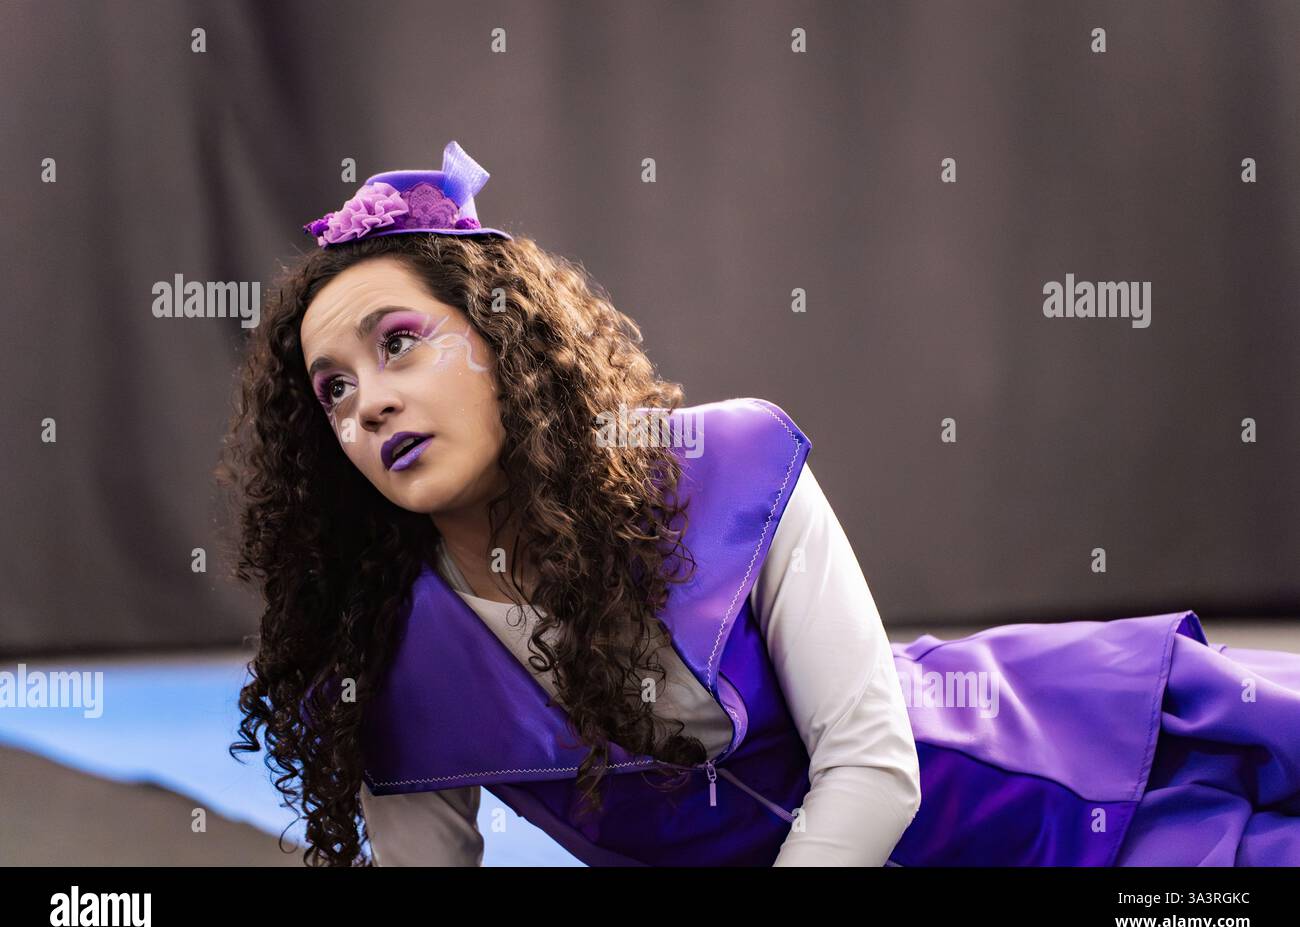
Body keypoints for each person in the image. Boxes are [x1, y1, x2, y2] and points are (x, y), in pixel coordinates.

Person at [221, 142, 1300, 867]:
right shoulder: (380, 652)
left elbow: (875, 772)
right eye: (335, 390)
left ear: (503, 340)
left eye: (399, 342)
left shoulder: (718, 468)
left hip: (1049, 779)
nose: (371, 402)